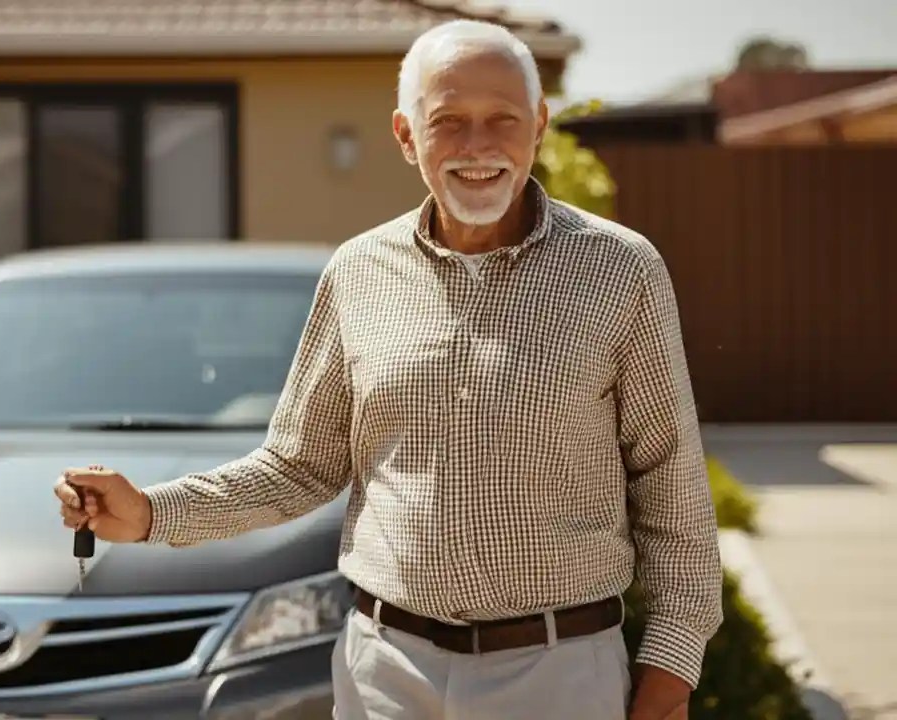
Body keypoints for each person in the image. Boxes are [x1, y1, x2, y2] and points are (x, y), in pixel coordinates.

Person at [54, 18, 722, 720]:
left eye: (503, 119)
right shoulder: (358, 273)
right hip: (386, 675)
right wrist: (153, 512)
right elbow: (297, 466)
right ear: (407, 136)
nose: (477, 146)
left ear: (539, 126)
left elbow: (670, 483)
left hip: (559, 676)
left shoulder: (623, 270)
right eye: (449, 122)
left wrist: (669, 671)